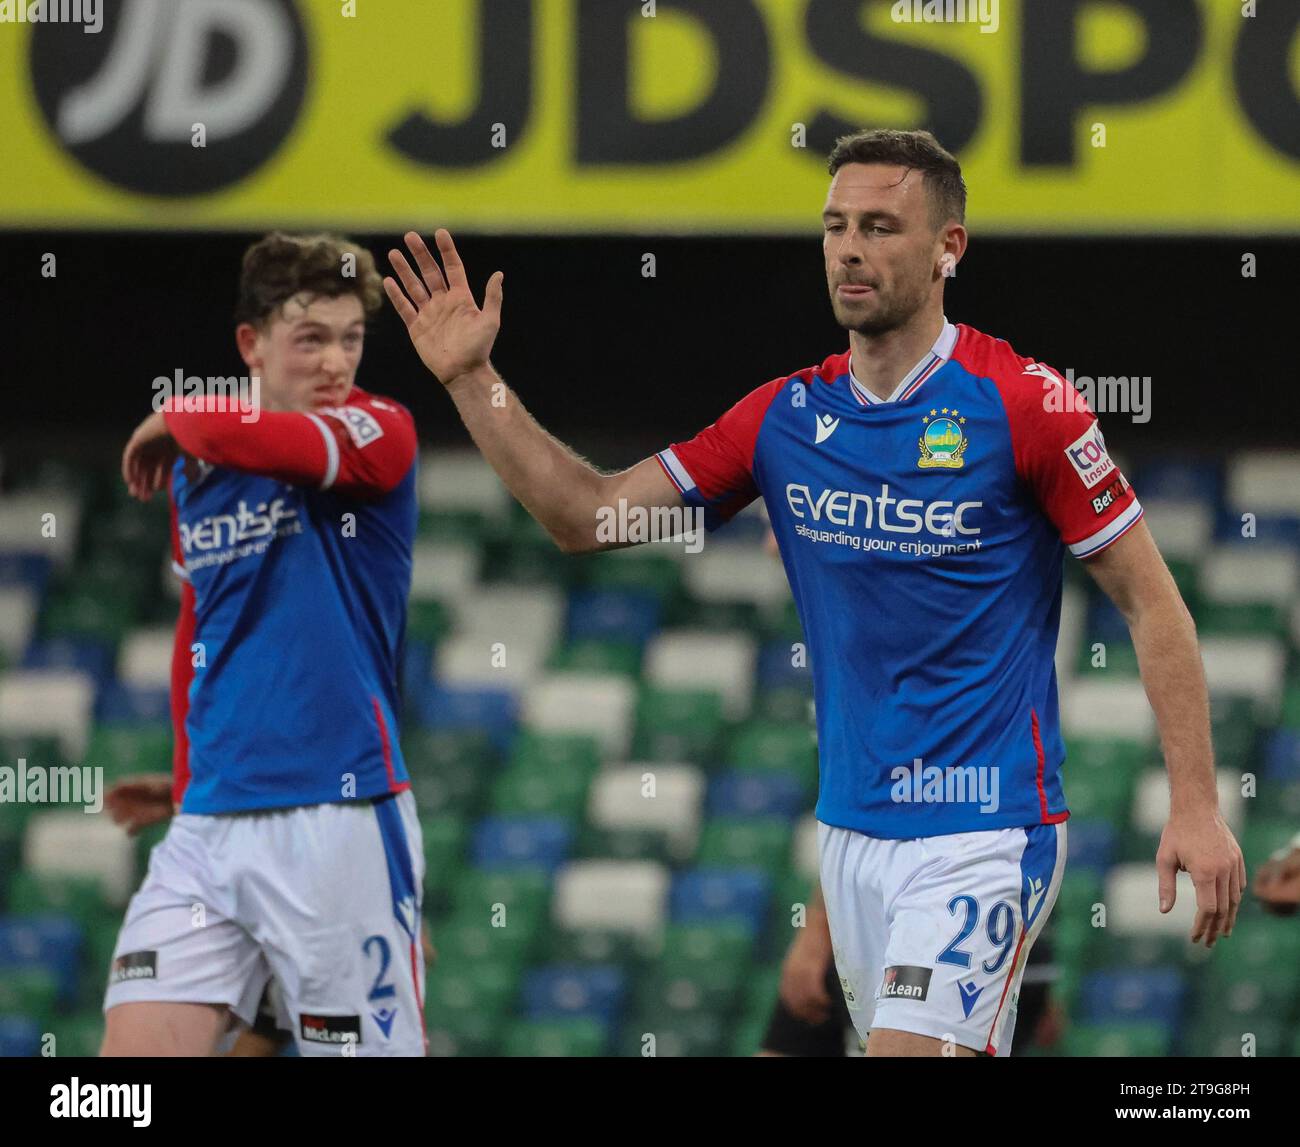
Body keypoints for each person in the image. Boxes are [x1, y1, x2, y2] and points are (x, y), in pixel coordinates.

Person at [382, 127, 1244, 1057]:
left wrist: (1194, 804)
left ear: (950, 247)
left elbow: (1154, 603)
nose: (850, 248)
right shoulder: (783, 420)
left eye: (881, 225)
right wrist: (473, 380)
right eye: (836, 225)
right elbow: (587, 517)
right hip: (850, 840)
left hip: (985, 831)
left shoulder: (1025, 404)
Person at [101, 232, 425, 1057]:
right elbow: (199, 625)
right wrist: (185, 779)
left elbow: (264, 441)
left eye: (350, 339)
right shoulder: (195, 471)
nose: (335, 363)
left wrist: (174, 412)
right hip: (210, 827)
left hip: (339, 819)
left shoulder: (378, 431)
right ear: (251, 344)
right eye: (310, 338)